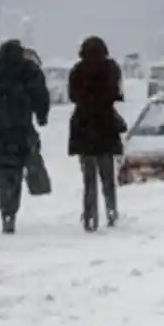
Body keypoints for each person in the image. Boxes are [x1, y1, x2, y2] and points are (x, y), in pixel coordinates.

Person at [0, 40, 51, 234]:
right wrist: (41, 116)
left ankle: (7, 211)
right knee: (19, 168)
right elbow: (41, 95)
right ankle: (13, 206)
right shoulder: (29, 71)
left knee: (4, 173)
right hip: (22, 129)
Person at [68, 36, 127, 232]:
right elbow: (116, 93)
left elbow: (73, 96)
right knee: (107, 175)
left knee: (89, 178)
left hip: (83, 125)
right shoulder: (110, 68)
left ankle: (90, 214)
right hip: (105, 125)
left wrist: (87, 99)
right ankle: (111, 209)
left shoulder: (78, 70)